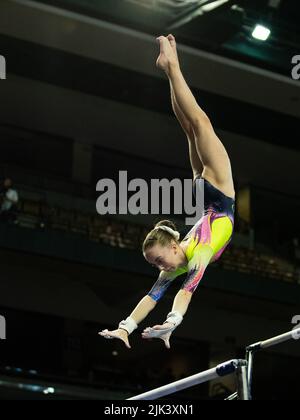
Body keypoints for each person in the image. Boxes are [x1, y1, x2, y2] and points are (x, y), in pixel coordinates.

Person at [99, 35, 235, 349]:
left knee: (199, 123)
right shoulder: (183, 258)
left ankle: (171, 66)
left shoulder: (195, 253)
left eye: (160, 260)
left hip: (217, 195)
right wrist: (125, 328)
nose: (162, 268)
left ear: (173, 245)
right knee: (192, 127)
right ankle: (168, 66)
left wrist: (172, 322)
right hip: (210, 197)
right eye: (156, 265)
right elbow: (153, 296)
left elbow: (185, 291)